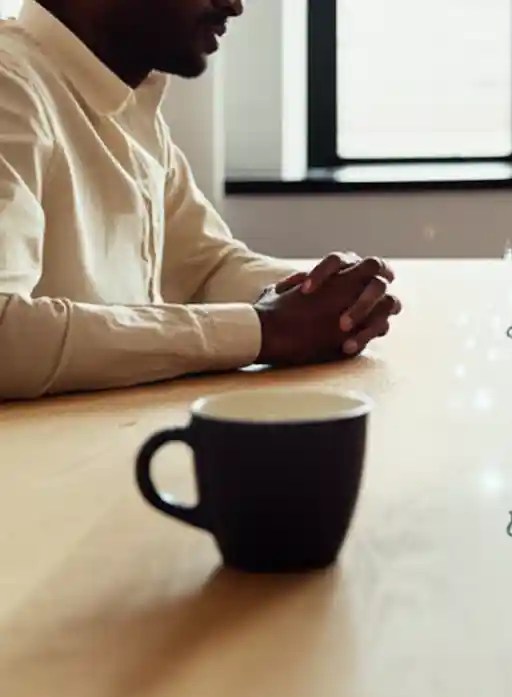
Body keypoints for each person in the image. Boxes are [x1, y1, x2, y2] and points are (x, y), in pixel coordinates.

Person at [0, 0, 401, 401]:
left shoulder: (129, 102)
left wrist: (327, 301)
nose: (235, 5)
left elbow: (206, 269)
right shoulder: (9, 86)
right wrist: (263, 330)